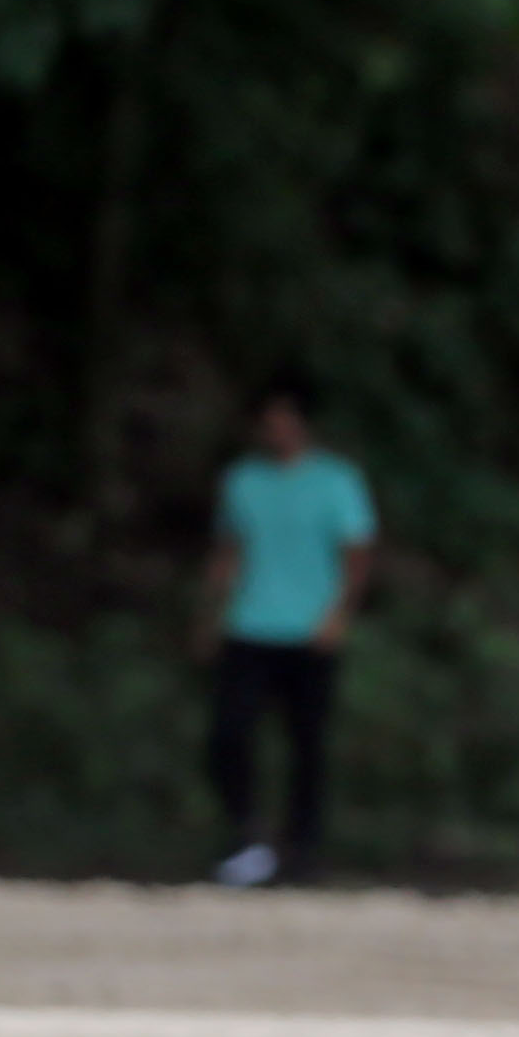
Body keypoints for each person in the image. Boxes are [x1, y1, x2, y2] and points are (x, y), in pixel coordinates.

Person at [202, 370, 377, 888]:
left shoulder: (337, 481)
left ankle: (303, 848)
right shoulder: (242, 481)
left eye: (284, 420)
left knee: (307, 745)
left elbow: (358, 557)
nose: (274, 430)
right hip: (248, 626)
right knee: (229, 734)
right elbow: (227, 554)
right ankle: (248, 838)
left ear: (302, 424)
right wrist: (210, 613)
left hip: (308, 631)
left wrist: (337, 615)